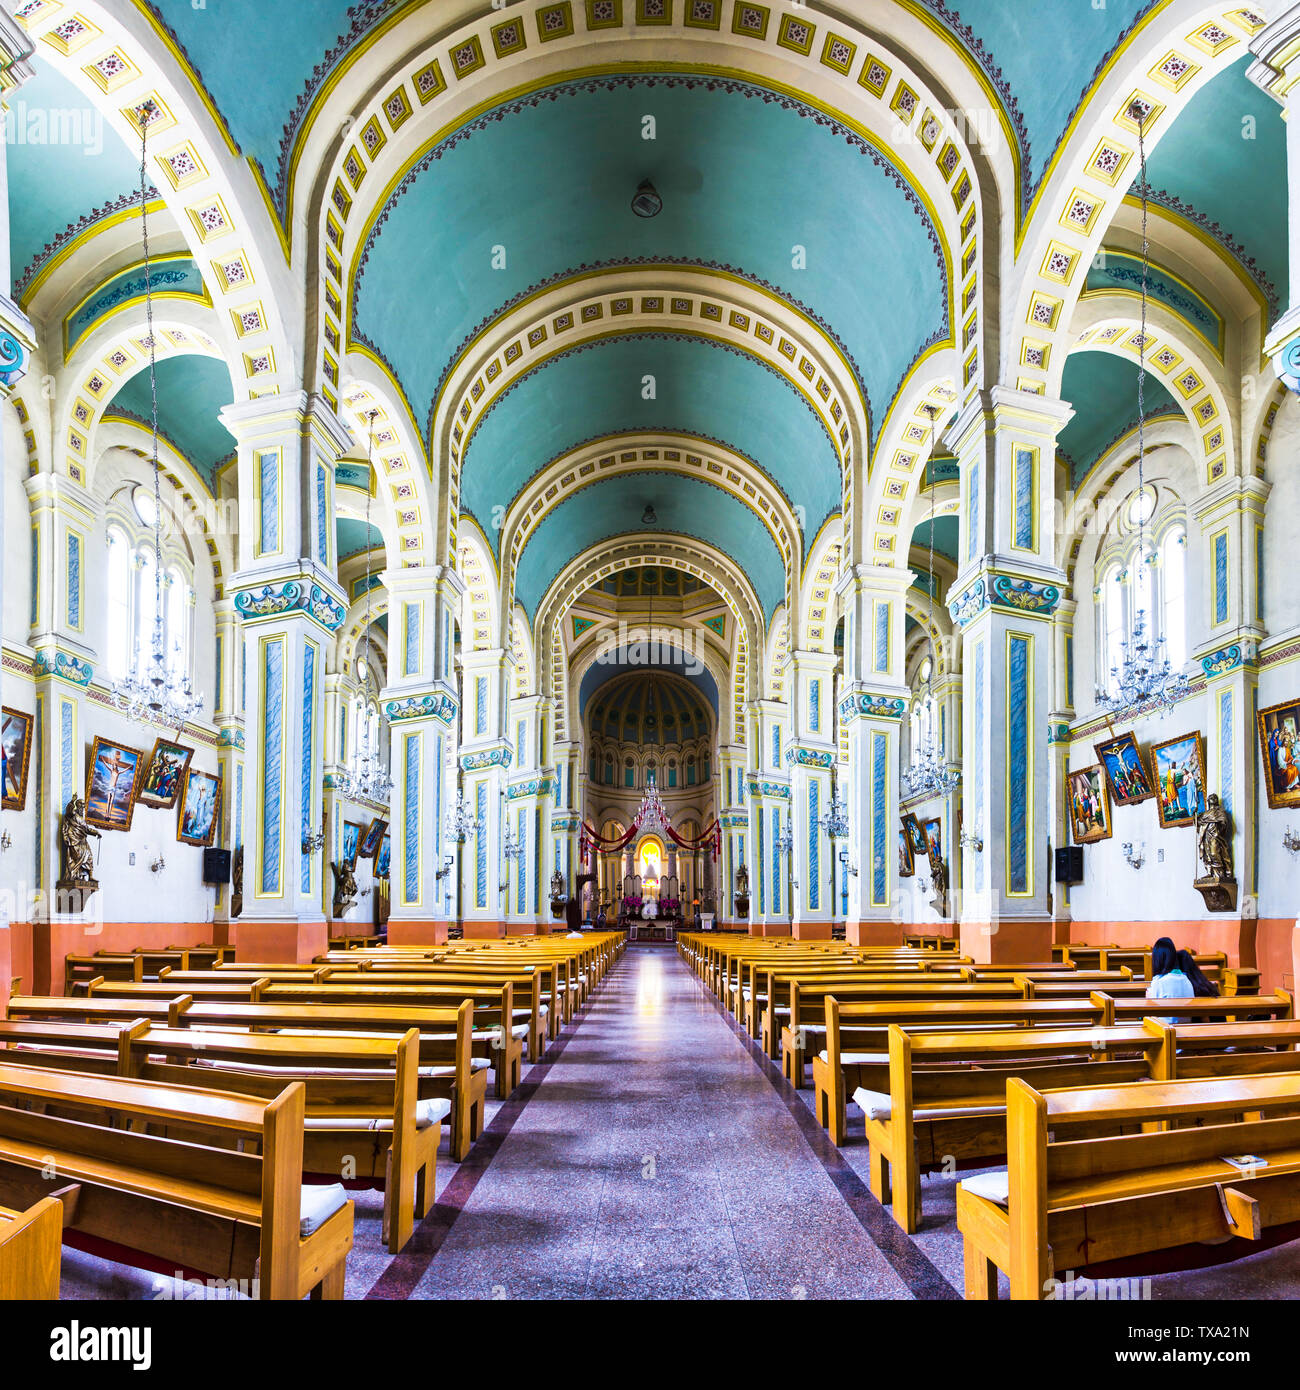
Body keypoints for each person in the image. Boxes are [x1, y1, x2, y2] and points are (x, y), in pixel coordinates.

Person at [1146, 936, 1194, 1025]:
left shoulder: (1159, 982)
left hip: (1165, 1030)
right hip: (1186, 1029)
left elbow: (1150, 1012)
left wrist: (1148, 998)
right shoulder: (1186, 979)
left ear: (1156, 959)